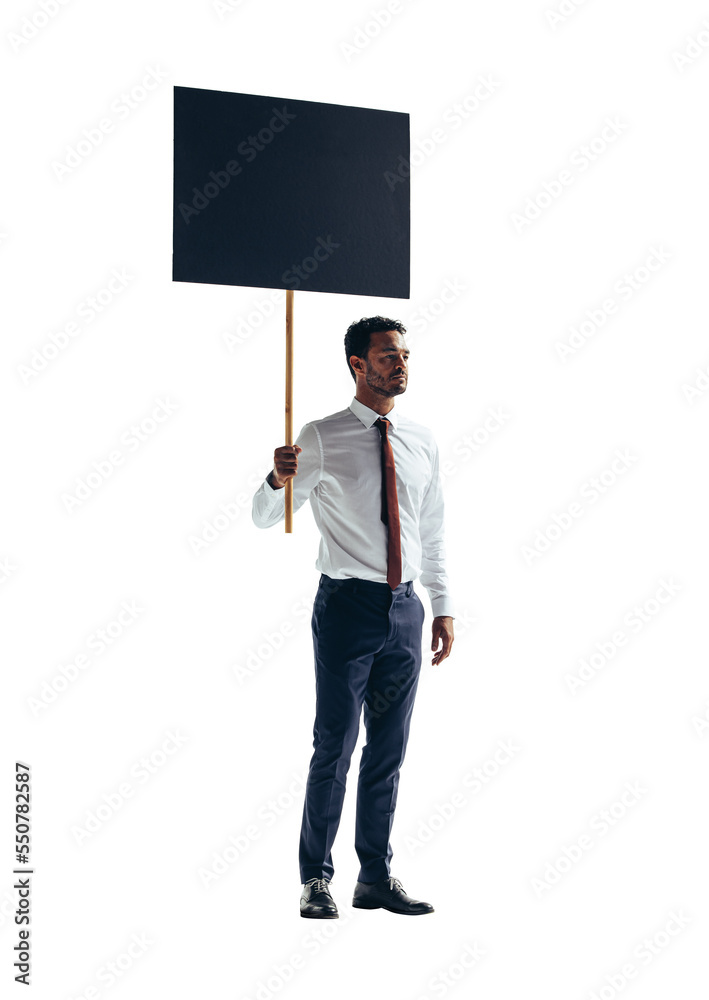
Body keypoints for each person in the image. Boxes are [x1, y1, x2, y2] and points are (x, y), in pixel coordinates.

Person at [252, 316, 455, 918]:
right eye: (388, 355)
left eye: (405, 354)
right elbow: (265, 517)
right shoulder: (320, 437)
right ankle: (316, 878)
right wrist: (277, 479)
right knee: (334, 746)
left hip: (405, 609)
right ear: (357, 365)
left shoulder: (421, 439)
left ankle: (375, 877)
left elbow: (432, 529)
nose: (401, 364)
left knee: (388, 751)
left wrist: (441, 605)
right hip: (347, 608)